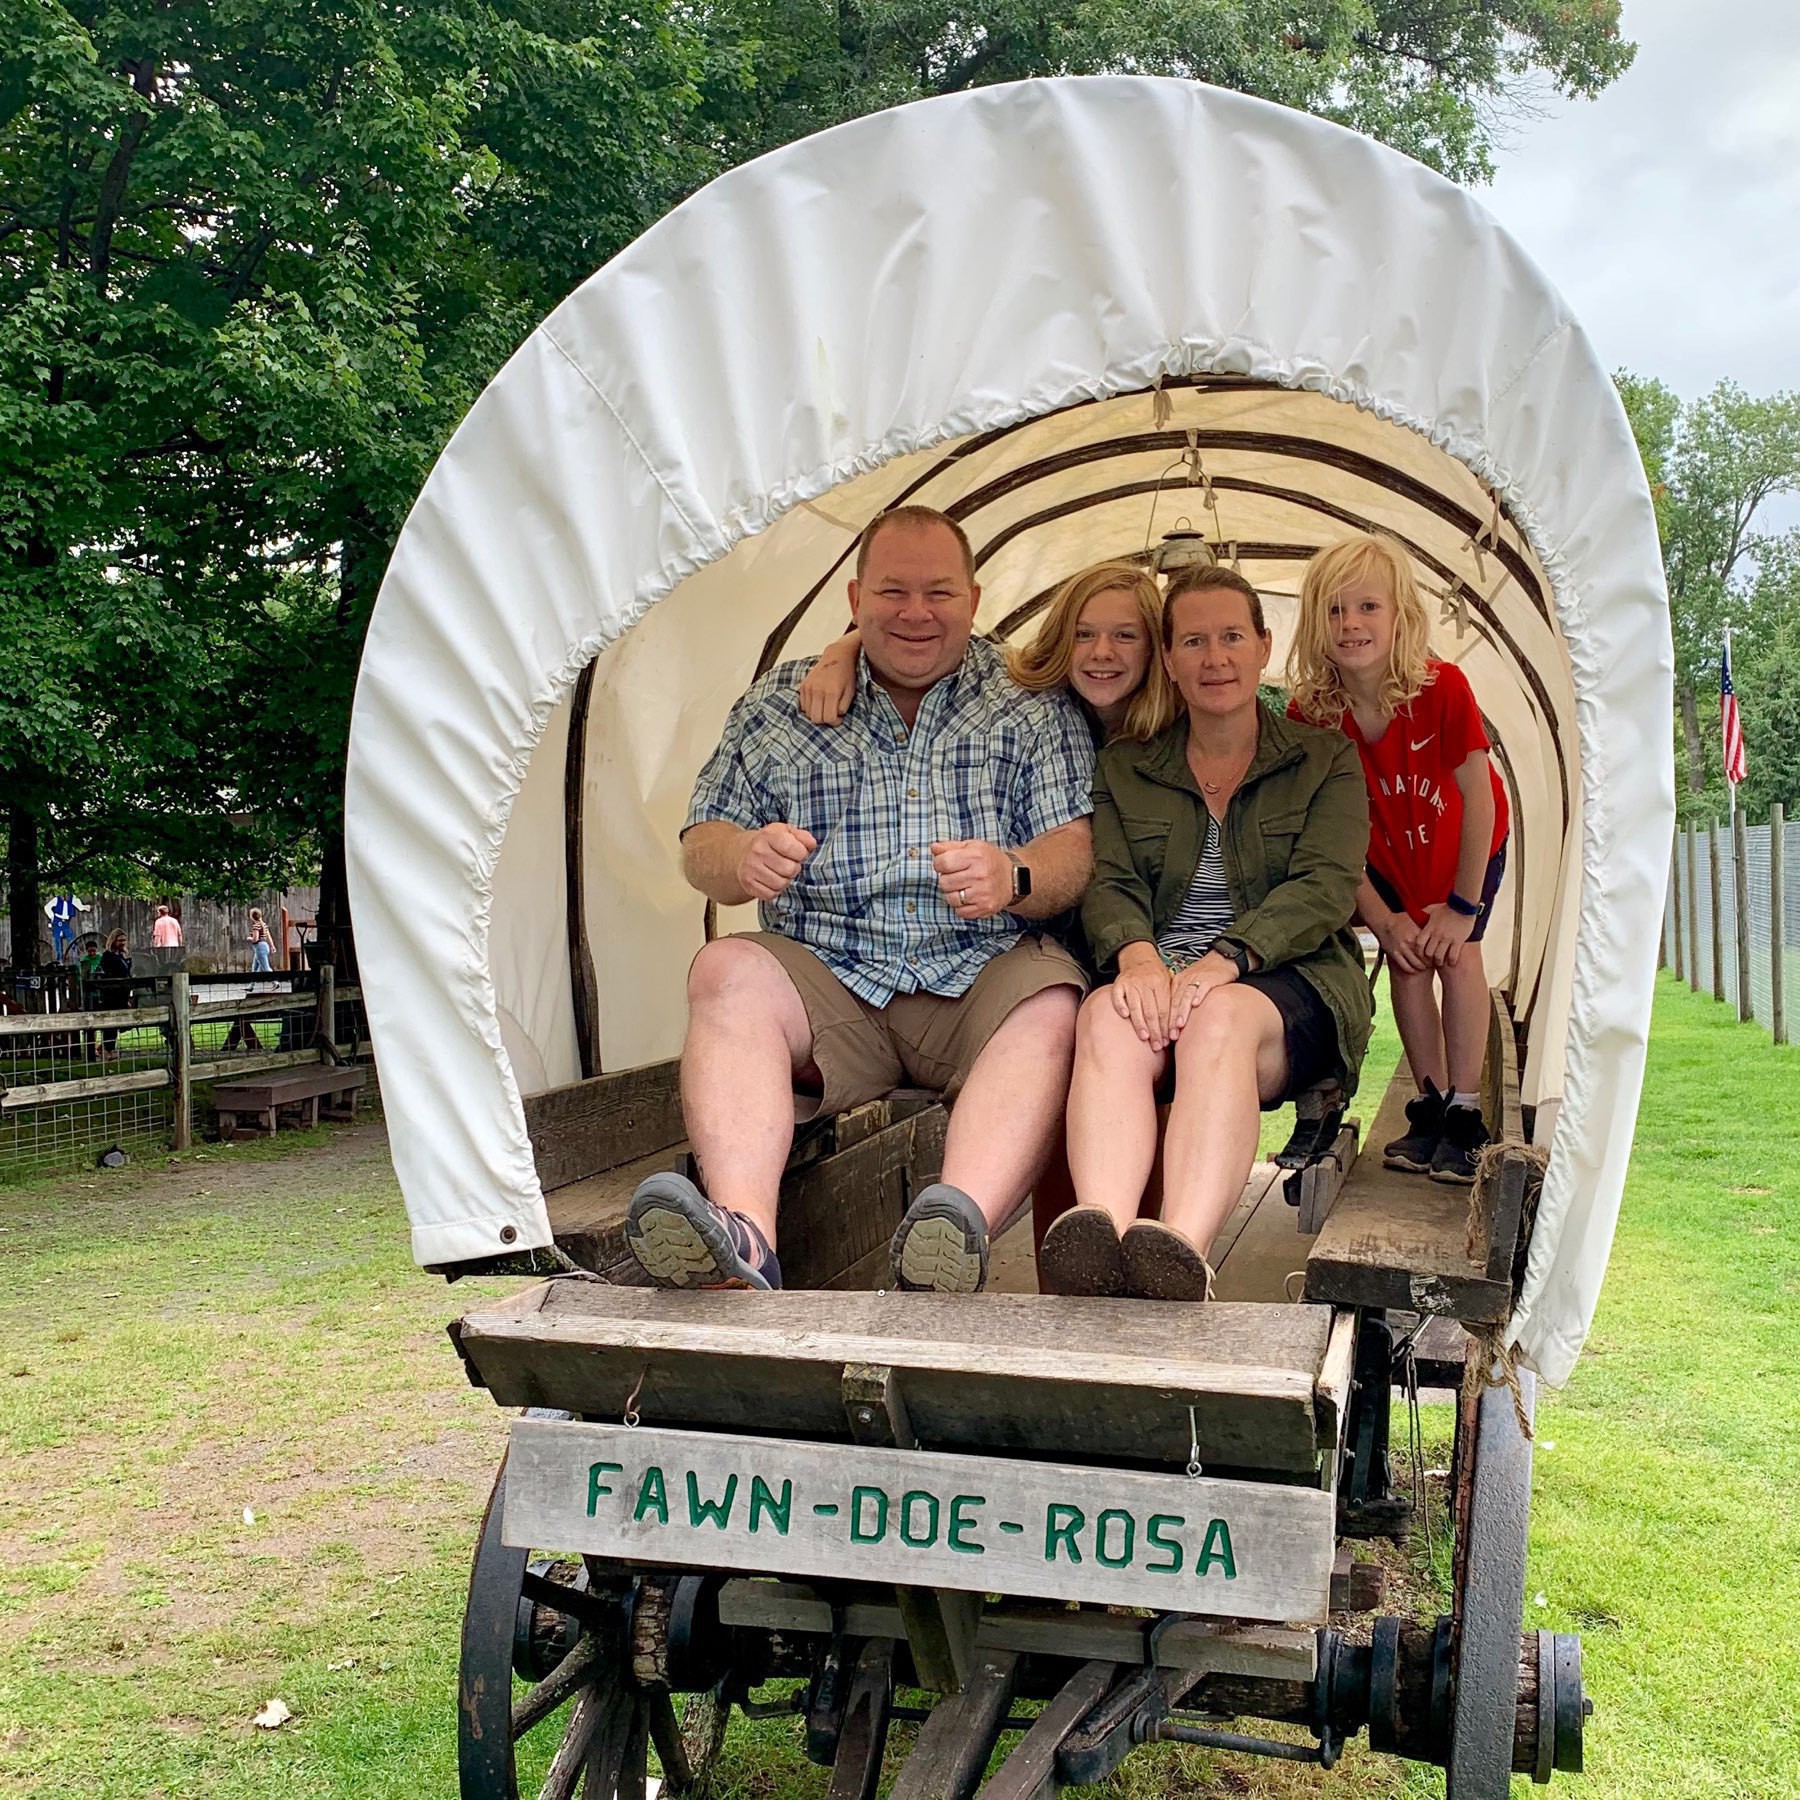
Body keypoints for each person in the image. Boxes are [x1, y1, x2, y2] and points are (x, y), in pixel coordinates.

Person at [625, 504, 1097, 1293]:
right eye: (893, 592)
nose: (917, 613)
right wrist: (740, 855)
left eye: (939, 593)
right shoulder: (780, 703)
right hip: (830, 982)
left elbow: (1075, 851)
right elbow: (698, 846)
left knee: (1054, 1002)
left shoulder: (1027, 699)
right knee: (722, 971)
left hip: (977, 975)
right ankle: (745, 1241)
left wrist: (1014, 874)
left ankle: (951, 1234)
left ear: (975, 600)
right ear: (854, 598)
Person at [1045, 565, 1373, 1302]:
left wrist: (1224, 961)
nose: (1214, 658)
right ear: (1168, 659)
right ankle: (1102, 1236)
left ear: (1263, 646)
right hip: (1163, 973)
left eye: (1231, 637)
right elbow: (1112, 880)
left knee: (1217, 1022)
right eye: (1193, 641)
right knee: (1105, 1012)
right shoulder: (1130, 768)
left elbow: (1323, 889)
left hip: (1292, 983)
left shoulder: (1323, 761)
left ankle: (1180, 1253)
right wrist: (1137, 959)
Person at [1286, 531, 1510, 1185]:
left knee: (1456, 954)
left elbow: (1478, 797)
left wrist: (1464, 906)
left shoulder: (1441, 688)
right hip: (1388, 856)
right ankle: (1432, 1104)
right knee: (1408, 962)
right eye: (1334, 610)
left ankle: (1468, 1115)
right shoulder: (1314, 713)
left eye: (1367, 607)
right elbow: (1331, 833)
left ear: (1400, 616)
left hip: (1465, 846)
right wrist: (1383, 921)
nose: (1350, 624)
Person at [800, 559, 1178, 747]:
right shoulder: (1030, 690)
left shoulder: (1179, 724)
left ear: (1155, 648)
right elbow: (953, 646)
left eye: (1126, 636)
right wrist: (843, 650)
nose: (1102, 652)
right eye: (1083, 634)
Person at [96, 931, 133, 1059]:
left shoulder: (121, 956)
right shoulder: (108, 956)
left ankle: (105, 1047)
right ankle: (108, 1050)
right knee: (111, 1023)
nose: (123, 943)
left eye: (124, 940)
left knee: (120, 1023)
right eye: (120, 940)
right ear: (113, 941)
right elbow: (106, 976)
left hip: (122, 994)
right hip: (111, 995)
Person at [45, 893, 87, 965]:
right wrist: (52, 917)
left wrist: (84, 907)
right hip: (57, 921)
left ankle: (75, 960)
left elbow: (79, 906)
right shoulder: (56, 900)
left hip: (65, 922)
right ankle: (59, 961)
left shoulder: (72, 898)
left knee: (72, 940)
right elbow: (47, 907)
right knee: (57, 942)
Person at [247, 908, 275, 973]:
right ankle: (252, 983)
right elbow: (268, 936)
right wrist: (272, 945)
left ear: (252, 916)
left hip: (259, 948)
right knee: (255, 967)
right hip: (265, 946)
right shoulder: (263, 925)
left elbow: (255, 939)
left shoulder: (256, 926)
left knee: (266, 968)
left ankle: (276, 982)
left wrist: (249, 938)